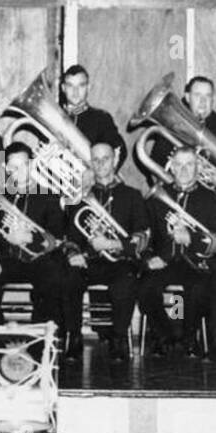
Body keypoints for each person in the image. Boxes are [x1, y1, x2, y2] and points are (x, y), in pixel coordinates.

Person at [138, 146, 216, 363]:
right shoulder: (158, 197)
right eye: (179, 165)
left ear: (198, 167)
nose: (184, 170)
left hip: (195, 263)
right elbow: (144, 233)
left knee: (197, 291)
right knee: (146, 288)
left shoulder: (211, 199)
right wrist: (149, 257)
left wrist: (192, 239)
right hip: (165, 261)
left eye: (189, 164)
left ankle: (189, 338)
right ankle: (165, 336)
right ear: (171, 167)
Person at [0, 141, 79, 357]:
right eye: (11, 167)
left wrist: (31, 238)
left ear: (31, 166)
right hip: (7, 259)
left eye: (22, 166)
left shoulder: (49, 196)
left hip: (39, 260)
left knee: (54, 276)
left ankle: (41, 343)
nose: (17, 172)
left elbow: (58, 238)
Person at [64, 142, 151, 365]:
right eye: (96, 159)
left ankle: (118, 339)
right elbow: (71, 238)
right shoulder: (81, 198)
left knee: (125, 281)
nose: (101, 164)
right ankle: (73, 337)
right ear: (90, 164)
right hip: (89, 262)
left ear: (115, 160)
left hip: (120, 261)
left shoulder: (132, 196)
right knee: (68, 278)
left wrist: (112, 243)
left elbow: (142, 236)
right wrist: (76, 253)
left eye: (106, 158)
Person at [145, 75, 216, 179]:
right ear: (187, 97)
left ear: (213, 99)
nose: (203, 101)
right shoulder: (172, 126)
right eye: (197, 95)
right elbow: (156, 162)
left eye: (208, 96)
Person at [59, 65, 127, 170]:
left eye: (81, 85)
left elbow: (119, 150)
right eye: (70, 86)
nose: (75, 91)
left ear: (88, 87)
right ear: (63, 88)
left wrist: (97, 173)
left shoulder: (101, 118)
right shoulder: (56, 117)